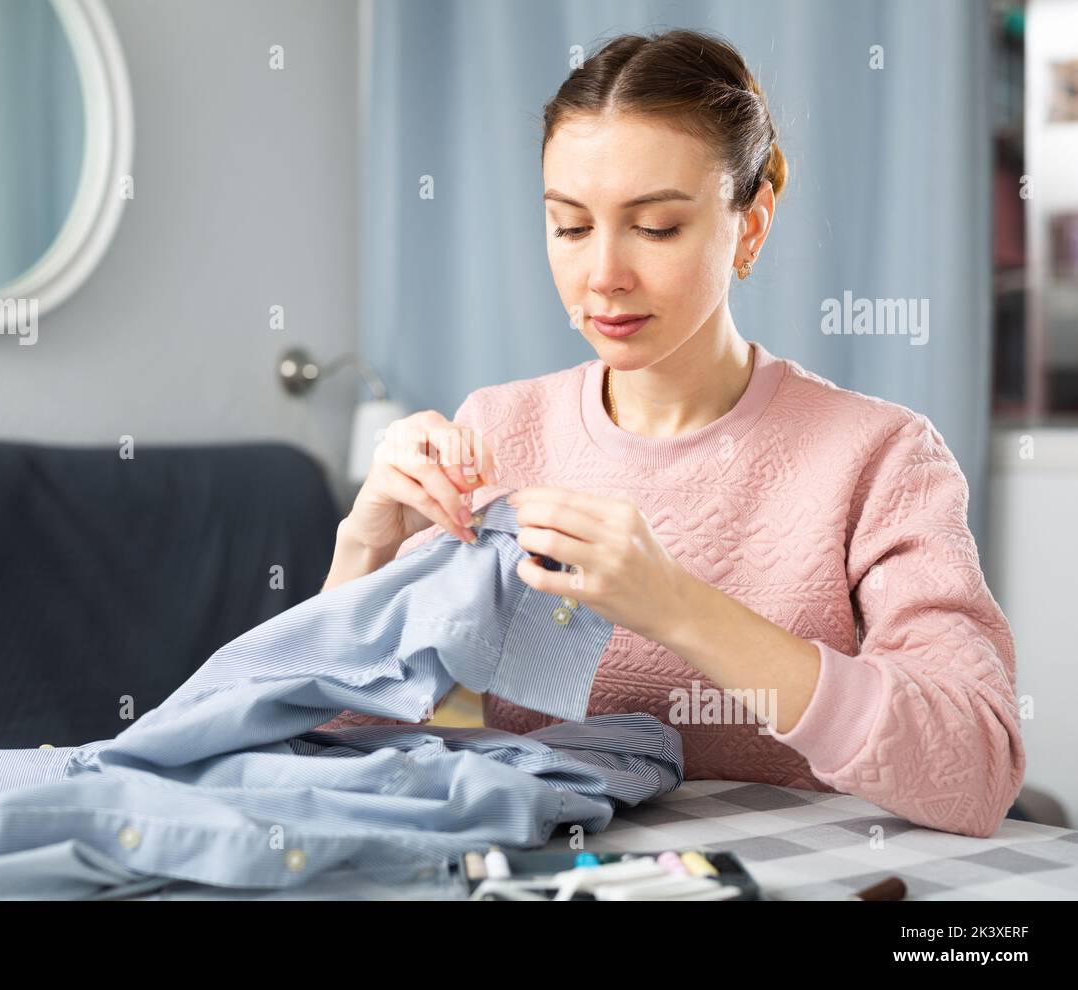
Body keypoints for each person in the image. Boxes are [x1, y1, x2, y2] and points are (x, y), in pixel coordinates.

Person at [318, 29, 1024, 839]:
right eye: (571, 227)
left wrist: (679, 608)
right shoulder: (497, 431)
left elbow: (974, 770)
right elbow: (342, 755)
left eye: (654, 227)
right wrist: (363, 550)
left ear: (750, 226)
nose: (604, 276)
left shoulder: (879, 458)